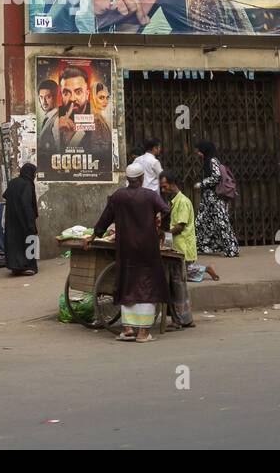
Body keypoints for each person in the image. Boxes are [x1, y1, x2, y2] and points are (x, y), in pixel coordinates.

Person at [91, 162, 170, 342]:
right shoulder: (150, 196)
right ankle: (142, 333)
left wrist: (95, 235)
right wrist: (161, 229)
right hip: (148, 248)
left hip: (125, 247)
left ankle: (127, 330)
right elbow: (166, 210)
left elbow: (105, 218)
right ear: (142, 179)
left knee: (126, 284)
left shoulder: (118, 196)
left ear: (128, 179)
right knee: (148, 286)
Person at [158, 172, 198, 327]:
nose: (163, 190)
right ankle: (183, 318)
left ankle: (182, 319)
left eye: (165, 186)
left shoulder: (182, 202)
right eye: (161, 187)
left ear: (172, 183)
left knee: (178, 285)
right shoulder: (173, 202)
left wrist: (163, 233)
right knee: (177, 284)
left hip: (181, 249)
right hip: (176, 248)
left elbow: (180, 227)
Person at [194, 141, 239, 258]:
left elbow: (216, 176)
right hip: (208, 199)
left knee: (221, 222)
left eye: (199, 150)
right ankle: (201, 247)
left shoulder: (212, 160)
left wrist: (202, 184)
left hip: (215, 198)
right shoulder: (208, 160)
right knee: (201, 222)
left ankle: (232, 249)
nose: (198, 153)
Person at [1, 163, 39, 276]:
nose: (35, 176)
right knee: (31, 238)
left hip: (11, 219)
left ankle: (16, 267)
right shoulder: (27, 184)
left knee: (14, 243)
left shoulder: (13, 182)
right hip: (24, 218)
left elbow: (6, 195)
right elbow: (26, 203)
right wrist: (31, 220)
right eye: (34, 173)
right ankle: (31, 267)